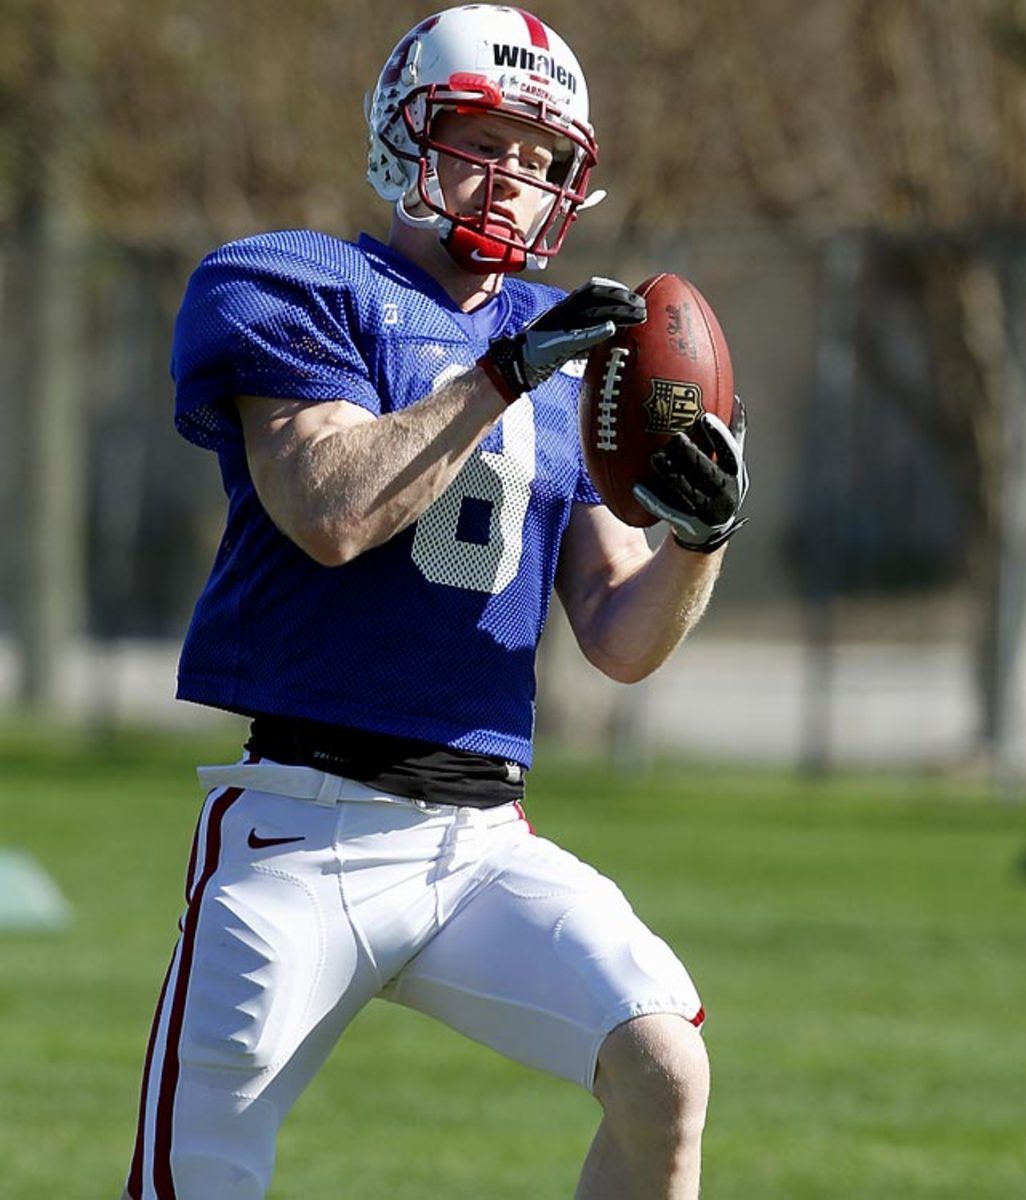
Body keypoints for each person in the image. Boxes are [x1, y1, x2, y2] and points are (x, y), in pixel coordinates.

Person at [122, 6, 748, 1199]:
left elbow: (621, 633)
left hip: (478, 842)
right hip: (298, 829)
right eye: (485, 140)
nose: (515, 176)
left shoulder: (569, 348)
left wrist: (700, 538)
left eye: (544, 157)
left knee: (664, 1066)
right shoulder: (294, 281)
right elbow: (331, 511)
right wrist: (501, 376)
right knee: (195, 1177)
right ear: (405, 136)